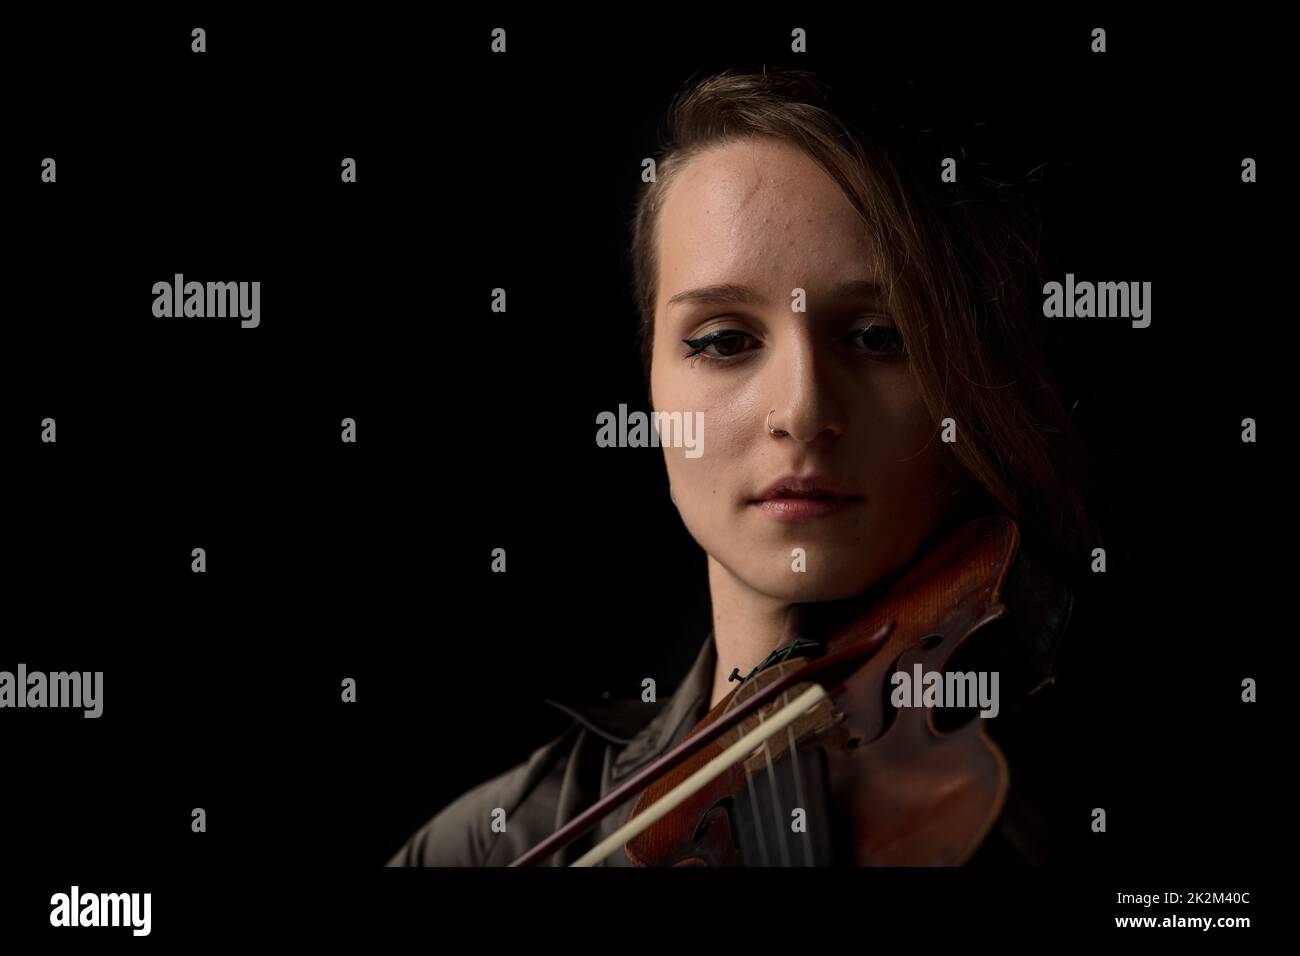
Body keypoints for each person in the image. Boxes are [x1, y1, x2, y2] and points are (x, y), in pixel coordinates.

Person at [388, 66, 1098, 867]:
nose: (799, 410)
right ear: (652, 387)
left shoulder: (1065, 768)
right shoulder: (496, 844)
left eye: (876, 336)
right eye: (724, 340)